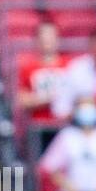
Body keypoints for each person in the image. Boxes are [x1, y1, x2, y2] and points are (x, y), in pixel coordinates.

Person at [17, 20, 68, 152]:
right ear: (36, 40)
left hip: (66, 127)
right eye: (44, 37)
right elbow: (22, 100)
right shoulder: (28, 68)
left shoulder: (70, 66)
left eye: (51, 37)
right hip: (40, 129)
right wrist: (50, 98)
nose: (47, 41)